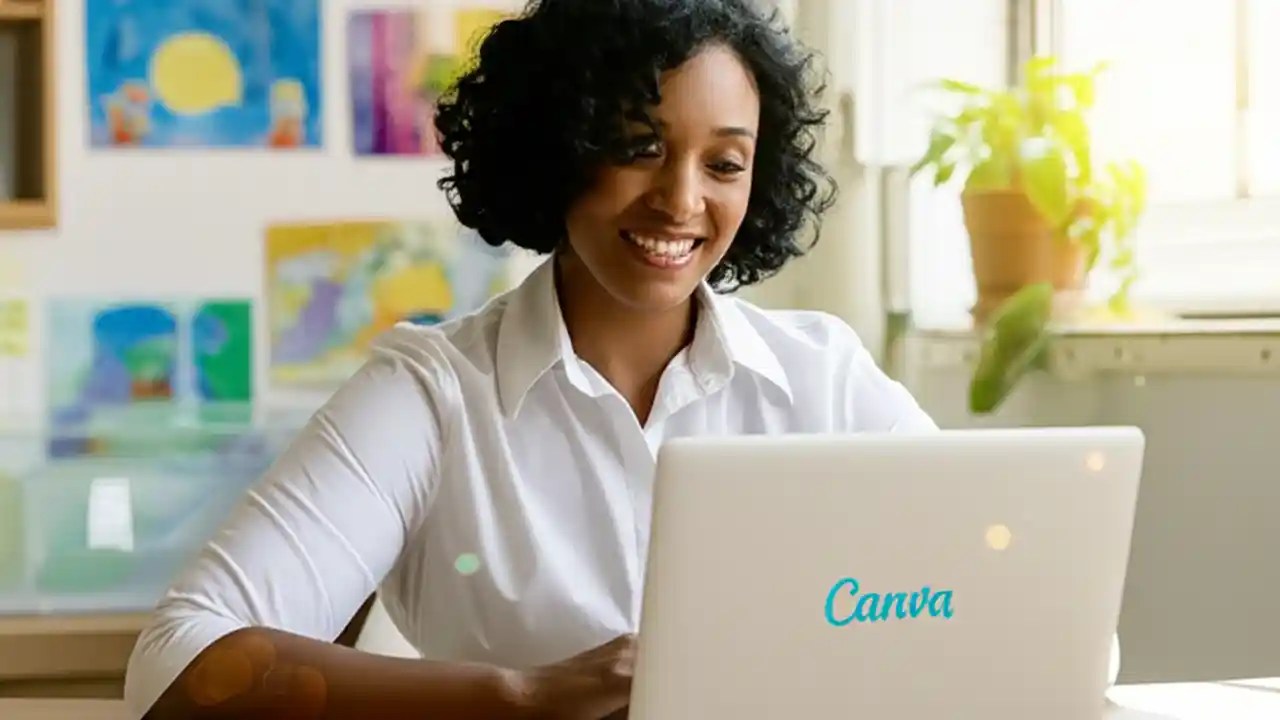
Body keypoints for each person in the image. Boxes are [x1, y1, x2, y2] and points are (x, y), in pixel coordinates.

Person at [124, 0, 936, 718]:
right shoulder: (430, 395)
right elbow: (178, 665)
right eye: (637, 146)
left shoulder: (824, 377)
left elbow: (973, 586)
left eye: (724, 163)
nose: (683, 201)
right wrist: (524, 696)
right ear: (558, 148)